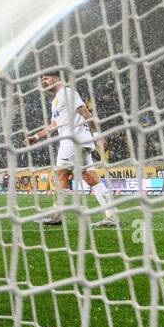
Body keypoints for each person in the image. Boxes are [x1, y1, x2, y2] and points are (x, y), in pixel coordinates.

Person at [29, 71, 117, 227]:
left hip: (73, 140)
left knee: (60, 174)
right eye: (42, 79)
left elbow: (84, 111)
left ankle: (57, 215)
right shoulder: (55, 101)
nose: (43, 81)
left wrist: (97, 135)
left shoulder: (68, 92)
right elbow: (53, 125)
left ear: (57, 78)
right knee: (91, 179)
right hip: (77, 142)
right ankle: (112, 217)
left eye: (46, 78)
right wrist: (36, 137)